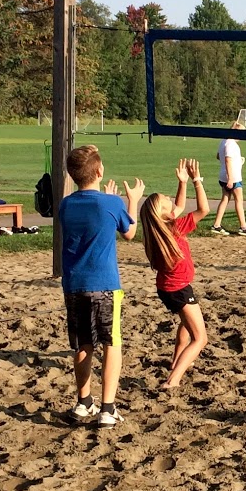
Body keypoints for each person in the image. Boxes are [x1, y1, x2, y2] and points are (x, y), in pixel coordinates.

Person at [58, 145, 144, 428]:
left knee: (83, 345)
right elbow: (130, 233)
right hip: (105, 284)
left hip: (74, 284)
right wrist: (132, 200)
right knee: (111, 343)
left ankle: (84, 403)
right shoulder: (112, 203)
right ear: (99, 171)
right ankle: (107, 408)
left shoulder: (66, 205)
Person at [139, 158, 211, 390]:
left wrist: (182, 184)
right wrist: (196, 181)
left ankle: (175, 362)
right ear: (165, 214)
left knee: (185, 326)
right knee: (200, 338)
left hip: (167, 288)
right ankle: (173, 380)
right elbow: (204, 210)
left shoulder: (156, 230)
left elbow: (177, 209)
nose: (171, 201)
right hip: (179, 289)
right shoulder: (175, 228)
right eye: (166, 202)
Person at [212, 120, 246, 235]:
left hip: (223, 175)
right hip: (233, 177)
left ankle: (216, 225)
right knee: (239, 201)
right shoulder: (231, 144)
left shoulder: (224, 141)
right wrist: (230, 178)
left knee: (225, 199)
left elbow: (218, 156)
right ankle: (244, 227)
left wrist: (237, 161)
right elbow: (227, 159)